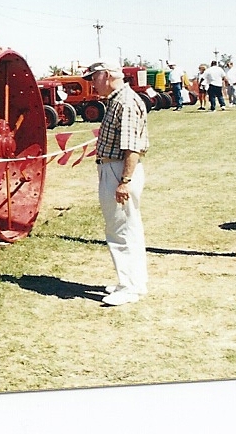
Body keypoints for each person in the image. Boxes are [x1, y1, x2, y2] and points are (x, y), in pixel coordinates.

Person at [83, 60, 149, 306]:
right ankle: (133, 282)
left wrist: (124, 181)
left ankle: (129, 287)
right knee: (128, 227)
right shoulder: (119, 100)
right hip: (116, 169)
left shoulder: (125, 102)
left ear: (108, 75)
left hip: (119, 169)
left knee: (120, 230)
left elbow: (132, 147)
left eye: (94, 77)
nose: (92, 83)